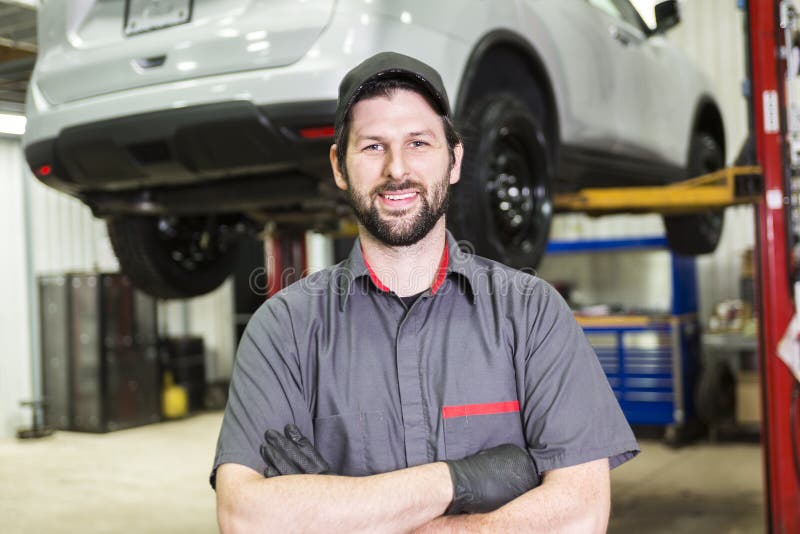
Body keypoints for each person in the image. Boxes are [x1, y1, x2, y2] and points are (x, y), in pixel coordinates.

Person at [211, 51, 639, 532]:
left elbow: (579, 515)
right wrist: (457, 481)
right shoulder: (284, 330)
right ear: (339, 165)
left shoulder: (532, 313)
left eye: (419, 142)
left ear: (454, 159)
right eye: (373, 146)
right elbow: (246, 519)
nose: (398, 170)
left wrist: (341, 512)